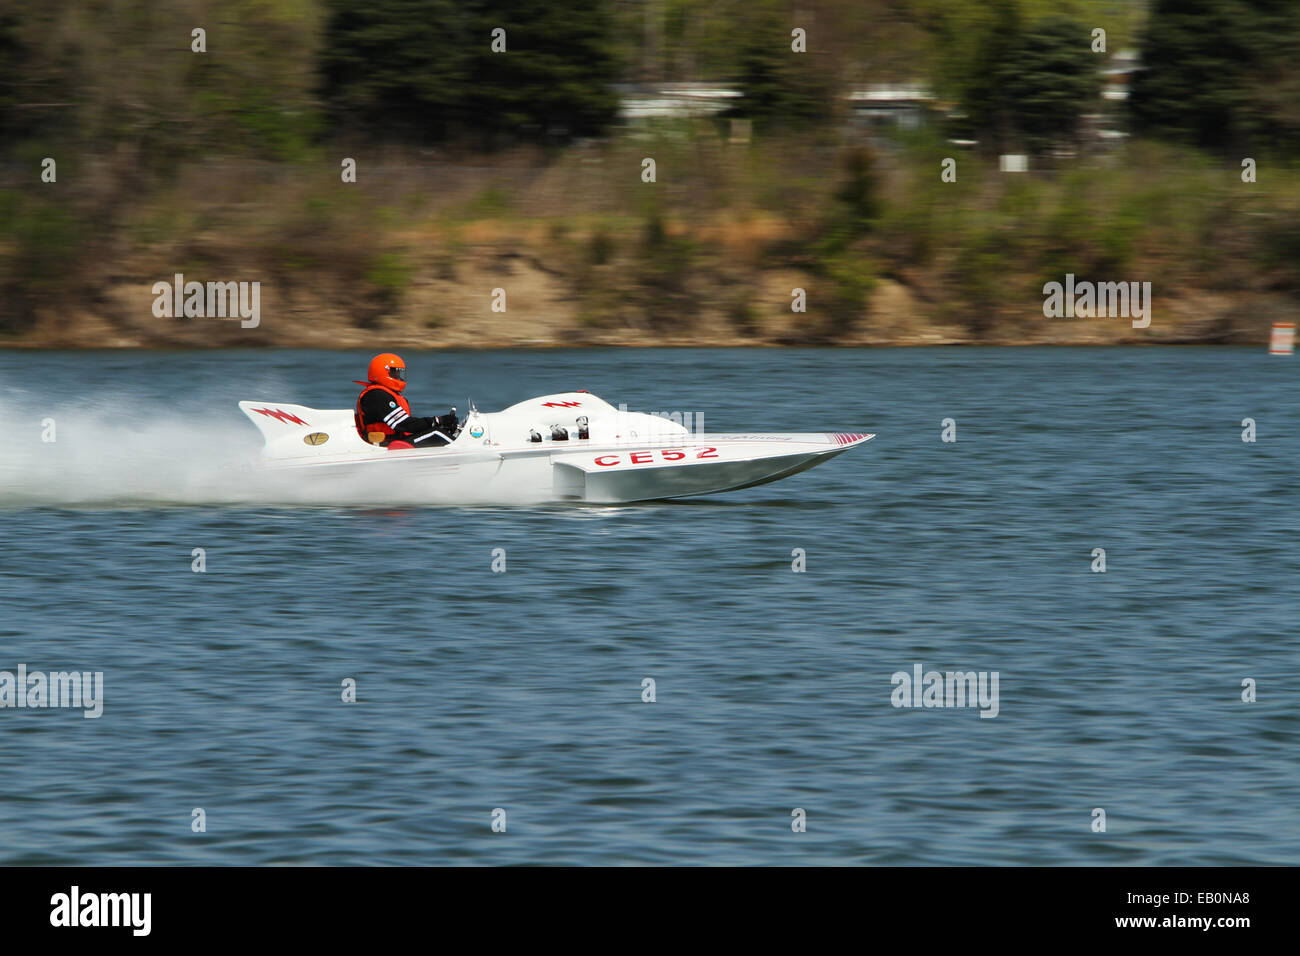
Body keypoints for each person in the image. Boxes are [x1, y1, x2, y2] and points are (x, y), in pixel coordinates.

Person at [353, 353, 458, 448]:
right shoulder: (376, 395)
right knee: (437, 433)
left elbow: (407, 425)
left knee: (444, 431)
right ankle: (462, 449)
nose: (399, 378)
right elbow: (404, 424)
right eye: (394, 373)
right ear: (382, 372)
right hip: (384, 445)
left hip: (395, 442)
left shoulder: (383, 394)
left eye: (399, 374)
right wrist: (437, 421)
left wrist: (440, 423)